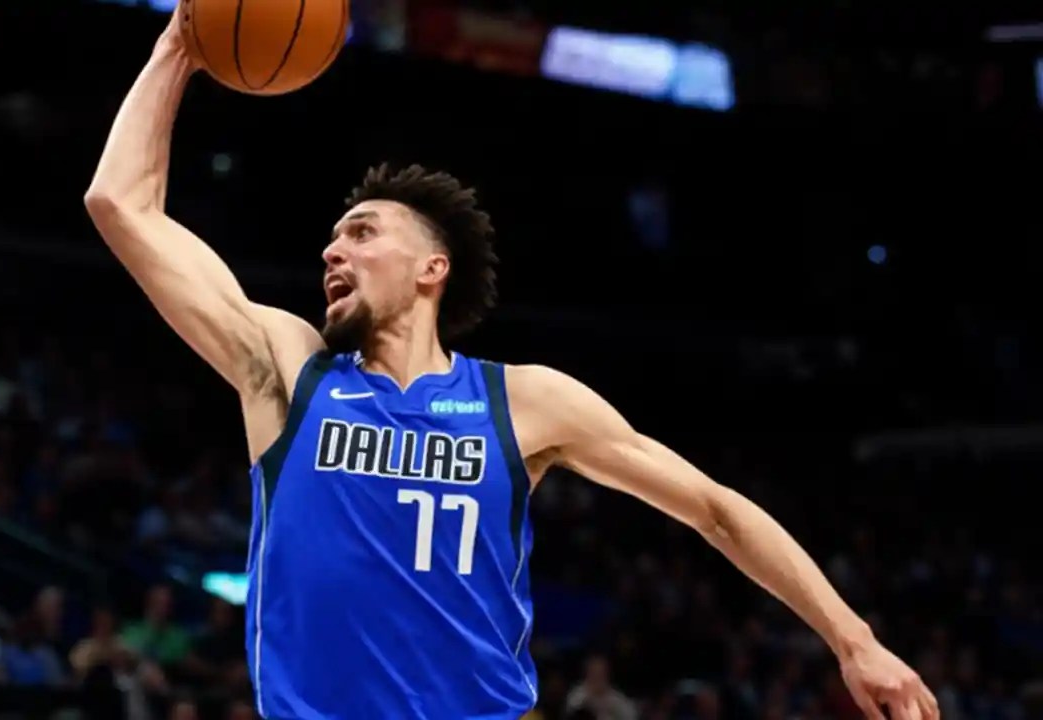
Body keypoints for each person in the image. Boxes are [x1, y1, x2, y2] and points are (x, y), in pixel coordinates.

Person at [84, 11, 940, 720]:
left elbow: (715, 510)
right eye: (335, 235)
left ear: (432, 268)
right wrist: (180, 48)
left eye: (363, 231)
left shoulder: (521, 400)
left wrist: (852, 640)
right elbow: (120, 203)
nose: (331, 249)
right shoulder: (289, 369)